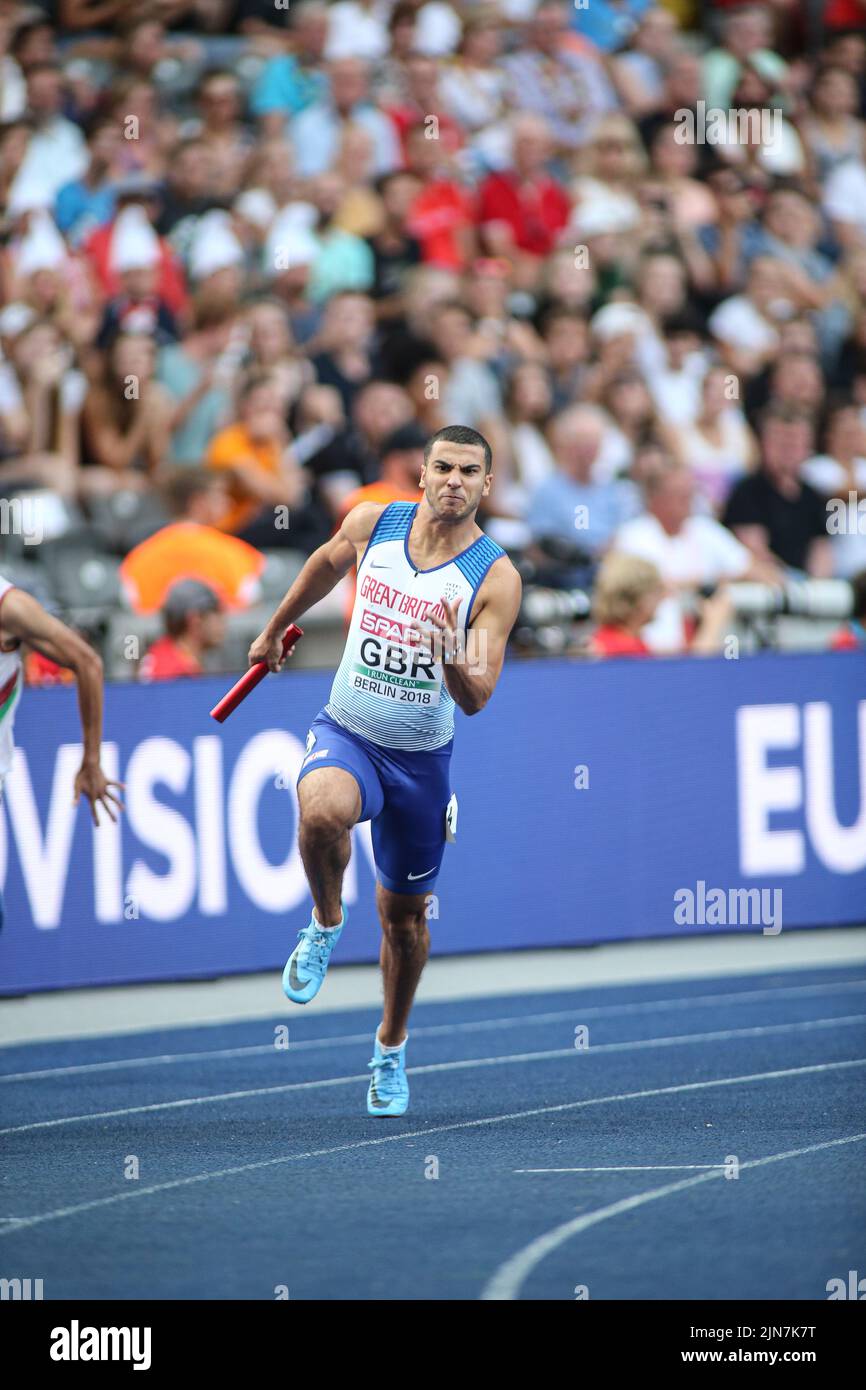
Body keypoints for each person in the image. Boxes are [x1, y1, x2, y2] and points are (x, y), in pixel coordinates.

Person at [246, 424, 522, 1116]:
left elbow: (479, 695)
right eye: (442, 467)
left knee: (403, 923)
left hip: (420, 766)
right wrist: (277, 624)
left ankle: (390, 1048)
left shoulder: (496, 576)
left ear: (487, 485)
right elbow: (325, 560)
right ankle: (324, 921)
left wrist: (451, 652)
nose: (453, 480)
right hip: (349, 731)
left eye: (469, 471)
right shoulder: (375, 522)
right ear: (420, 473)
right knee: (320, 810)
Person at [0, 574, 123, 925]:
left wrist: (92, 761)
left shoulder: (10, 606)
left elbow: (87, 662)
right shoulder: (10, 605)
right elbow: (89, 661)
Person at [138, 580, 226, 681]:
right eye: (216, 612)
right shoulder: (175, 674)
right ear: (196, 620)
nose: (223, 620)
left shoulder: (164, 654)